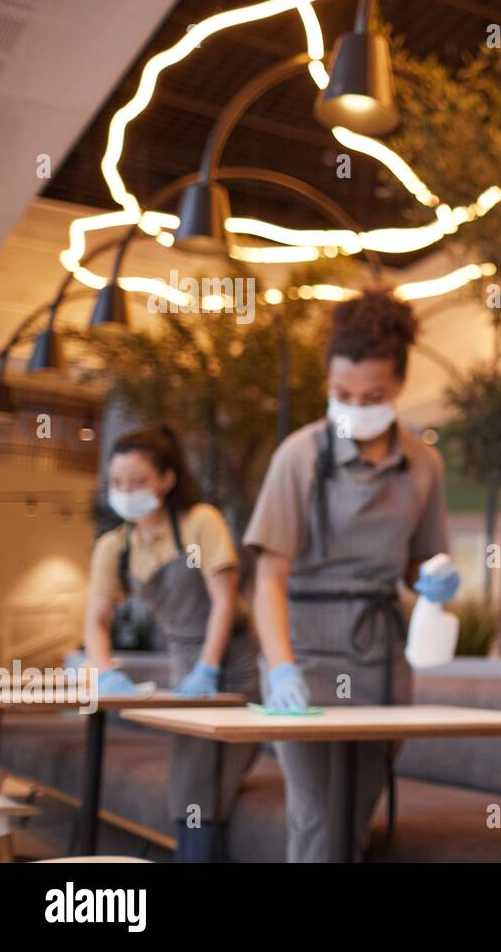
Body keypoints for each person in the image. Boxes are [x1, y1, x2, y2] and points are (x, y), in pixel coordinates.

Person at [243, 289, 457, 862]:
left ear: (398, 388)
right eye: (341, 395)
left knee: (355, 816)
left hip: (381, 659)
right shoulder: (298, 457)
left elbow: (421, 563)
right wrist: (281, 668)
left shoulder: (422, 464)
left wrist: (434, 581)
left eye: (373, 396)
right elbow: (267, 576)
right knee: (316, 815)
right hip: (304, 659)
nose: (356, 407)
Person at [83, 425, 259, 862]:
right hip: (185, 668)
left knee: (199, 780)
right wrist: (106, 672)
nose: (126, 492)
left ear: (167, 479)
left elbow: (223, 602)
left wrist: (209, 668)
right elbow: (96, 619)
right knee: (193, 777)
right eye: (117, 483)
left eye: (138, 481)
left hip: (233, 663)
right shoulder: (115, 547)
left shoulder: (200, 523)